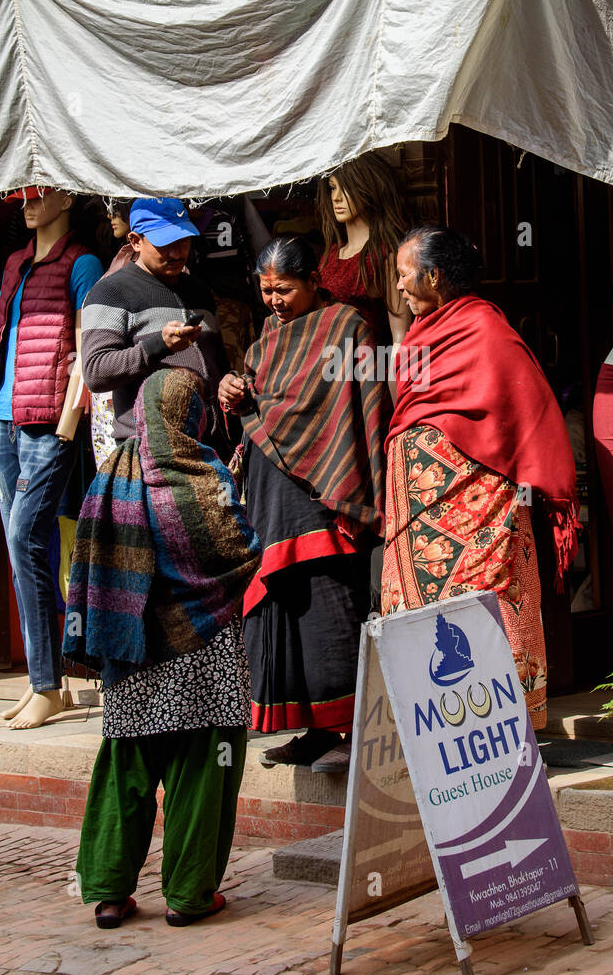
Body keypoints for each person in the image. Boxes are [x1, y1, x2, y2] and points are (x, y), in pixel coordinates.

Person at [64, 367, 261, 928]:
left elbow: (88, 566)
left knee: (125, 765)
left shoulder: (108, 476)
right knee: (204, 767)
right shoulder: (202, 473)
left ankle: (107, 893)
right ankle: (189, 895)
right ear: (191, 414)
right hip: (205, 650)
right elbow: (240, 551)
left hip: (131, 649)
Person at [381, 226, 581, 732]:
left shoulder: (485, 329)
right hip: (420, 518)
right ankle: (444, 732)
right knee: (425, 619)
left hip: (481, 510)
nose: (400, 287)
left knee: (490, 603)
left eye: (405, 276)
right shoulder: (421, 332)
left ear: (433, 275)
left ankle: (507, 728)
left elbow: (527, 409)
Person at [220, 236, 391, 773]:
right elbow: (258, 399)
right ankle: (310, 728)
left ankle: (352, 721)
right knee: (283, 604)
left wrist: (371, 488)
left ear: (314, 281)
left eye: (285, 290)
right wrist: (233, 391)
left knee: (328, 604)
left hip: (323, 493)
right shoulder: (266, 337)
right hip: (271, 491)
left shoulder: (347, 327)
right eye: (266, 290)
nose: (274, 301)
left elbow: (362, 407)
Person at [0, 186, 103, 730]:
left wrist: (67, 427)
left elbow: (87, 346)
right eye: (21, 194)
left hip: (48, 423)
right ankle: (47, 679)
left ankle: (46, 686)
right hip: (5, 420)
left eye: (39, 192)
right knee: (26, 547)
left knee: (24, 536)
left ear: (67, 200)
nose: (25, 201)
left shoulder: (83, 263)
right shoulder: (15, 262)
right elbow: (4, 336)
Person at [81, 197, 235, 452]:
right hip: (149, 450)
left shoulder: (199, 292)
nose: (176, 253)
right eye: (165, 244)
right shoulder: (110, 292)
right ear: (135, 241)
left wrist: (229, 384)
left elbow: (217, 364)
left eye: (183, 241)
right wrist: (158, 346)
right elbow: (95, 372)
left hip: (209, 446)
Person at [317, 154, 412, 349]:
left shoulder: (384, 254)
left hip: (368, 366)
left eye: (346, 188)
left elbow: (400, 335)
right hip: (329, 364)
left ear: (367, 188)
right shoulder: (330, 255)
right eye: (333, 188)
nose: (336, 197)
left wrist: (394, 378)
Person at [90, 201, 134, 468]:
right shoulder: (120, 260)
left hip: (123, 399)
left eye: (118, 208)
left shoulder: (138, 265)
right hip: (107, 392)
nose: (110, 216)